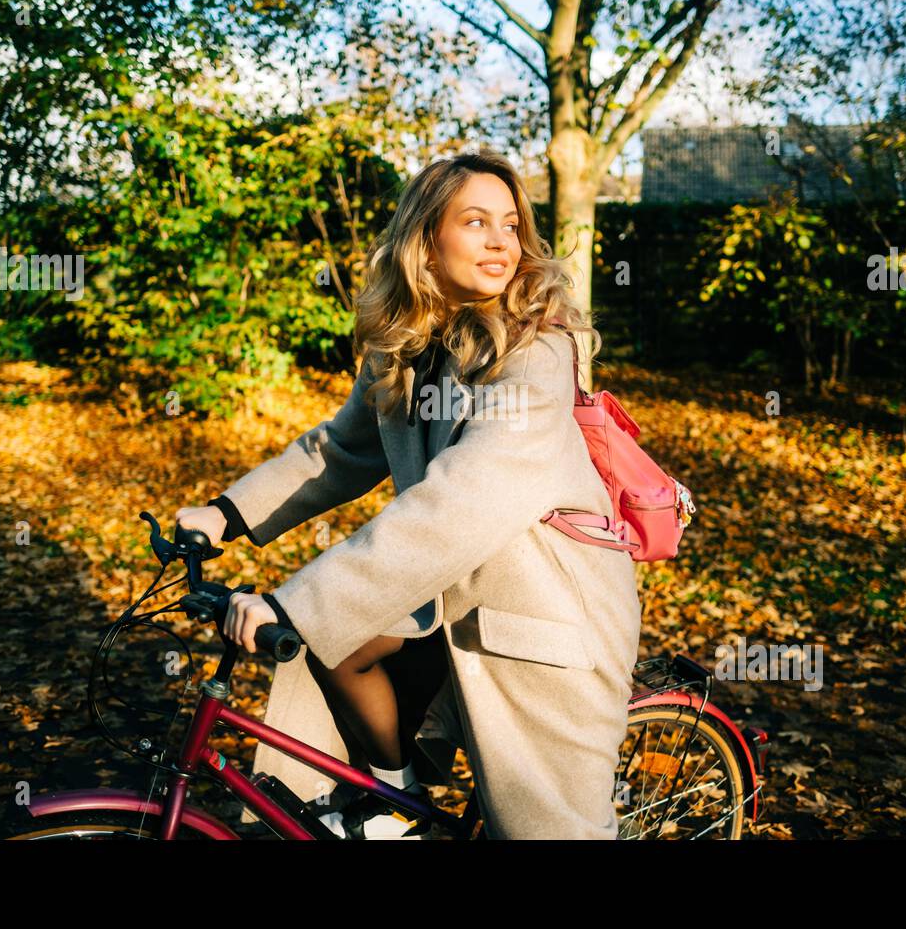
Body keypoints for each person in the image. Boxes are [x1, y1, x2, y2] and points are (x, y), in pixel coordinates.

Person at [176, 150, 643, 839]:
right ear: (425, 239)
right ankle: (396, 804)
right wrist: (225, 514)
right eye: (475, 221)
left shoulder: (535, 355)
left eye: (510, 225)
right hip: (452, 586)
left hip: (541, 615)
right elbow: (340, 449)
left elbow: (461, 501)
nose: (500, 241)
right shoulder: (407, 348)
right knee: (334, 638)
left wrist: (296, 599)